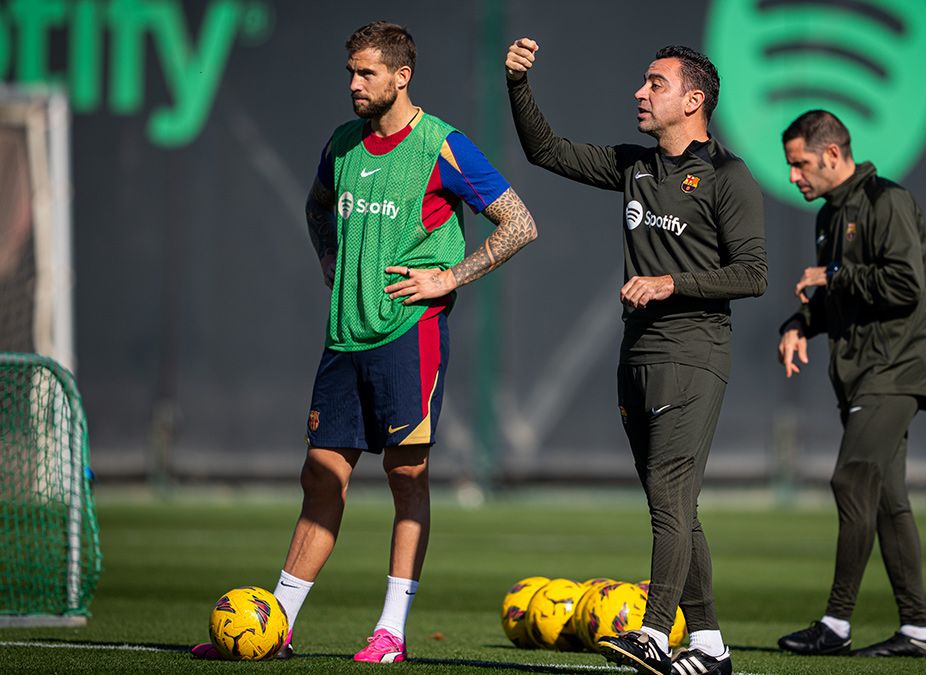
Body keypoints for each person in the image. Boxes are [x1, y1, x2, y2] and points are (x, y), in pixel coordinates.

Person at [192, 20, 537, 663]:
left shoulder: (443, 145)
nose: (353, 83)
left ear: (401, 77)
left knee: (407, 476)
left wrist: (451, 276)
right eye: (350, 71)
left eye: (366, 72)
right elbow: (316, 207)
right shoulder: (342, 143)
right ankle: (276, 624)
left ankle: (391, 630)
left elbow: (520, 222)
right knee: (321, 479)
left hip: (410, 336)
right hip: (344, 339)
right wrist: (330, 260)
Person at [504, 38, 767, 675]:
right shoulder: (634, 165)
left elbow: (754, 273)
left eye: (655, 84)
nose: (640, 93)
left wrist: (670, 283)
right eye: (643, 83)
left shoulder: (728, 178)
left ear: (693, 100)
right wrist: (518, 84)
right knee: (673, 502)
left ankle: (653, 633)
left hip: (694, 351)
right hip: (638, 352)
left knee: (669, 499)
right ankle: (709, 647)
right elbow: (546, 150)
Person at [774, 110, 926, 658]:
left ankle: (836, 624)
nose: (794, 176)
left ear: (831, 155)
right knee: (888, 501)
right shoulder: (828, 216)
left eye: (799, 164)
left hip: (894, 370)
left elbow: (905, 285)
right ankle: (917, 632)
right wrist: (800, 323)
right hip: (860, 373)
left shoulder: (885, 202)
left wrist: (836, 275)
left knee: (850, 483)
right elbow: (837, 298)